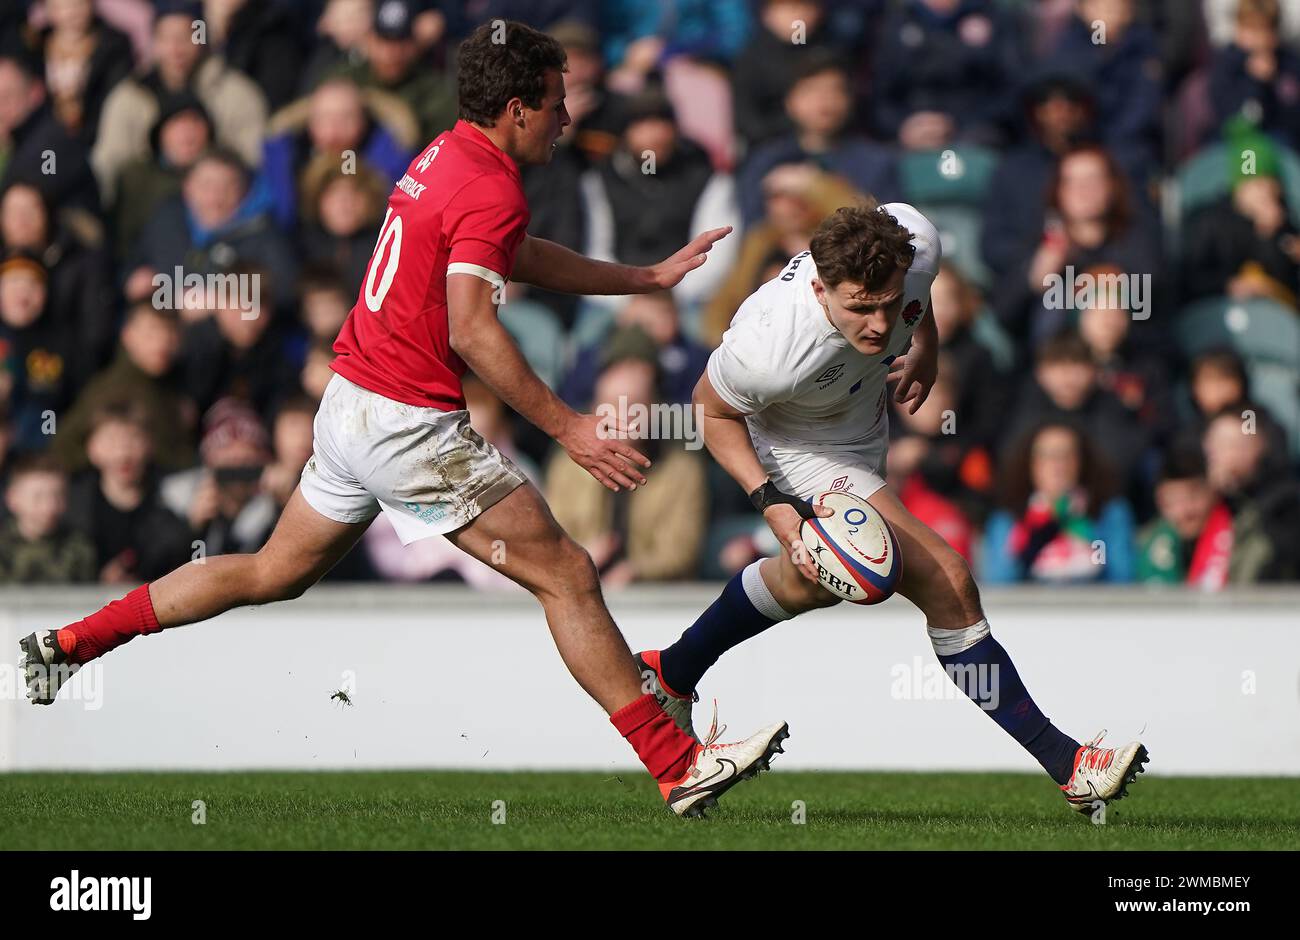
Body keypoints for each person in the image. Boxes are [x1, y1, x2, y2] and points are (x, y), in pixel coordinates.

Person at [20, 20, 785, 819]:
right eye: (557, 105)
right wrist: (568, 426)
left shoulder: (447, 154)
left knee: (269, 573)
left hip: (351, 402)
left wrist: (640, 277)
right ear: (517, 109)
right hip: (406, 426)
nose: (568, 119)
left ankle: (72, 644)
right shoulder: (490, 183)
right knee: (567, 574)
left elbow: (509, 252)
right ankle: (675, 762)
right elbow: (473, 326)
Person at [636, 202, 1148, 814]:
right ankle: (1071, 766)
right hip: (805, 449)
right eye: (859, 307)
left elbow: (918, 297)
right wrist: (772, 505)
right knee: (950, 582)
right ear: (820, 288)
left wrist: (925, 343)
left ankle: (669, 672)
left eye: (888, 303)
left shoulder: (915, 243)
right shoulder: (769, 348)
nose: (879, 325)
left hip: (864, 425)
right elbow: (710, 413)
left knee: (817, 583)